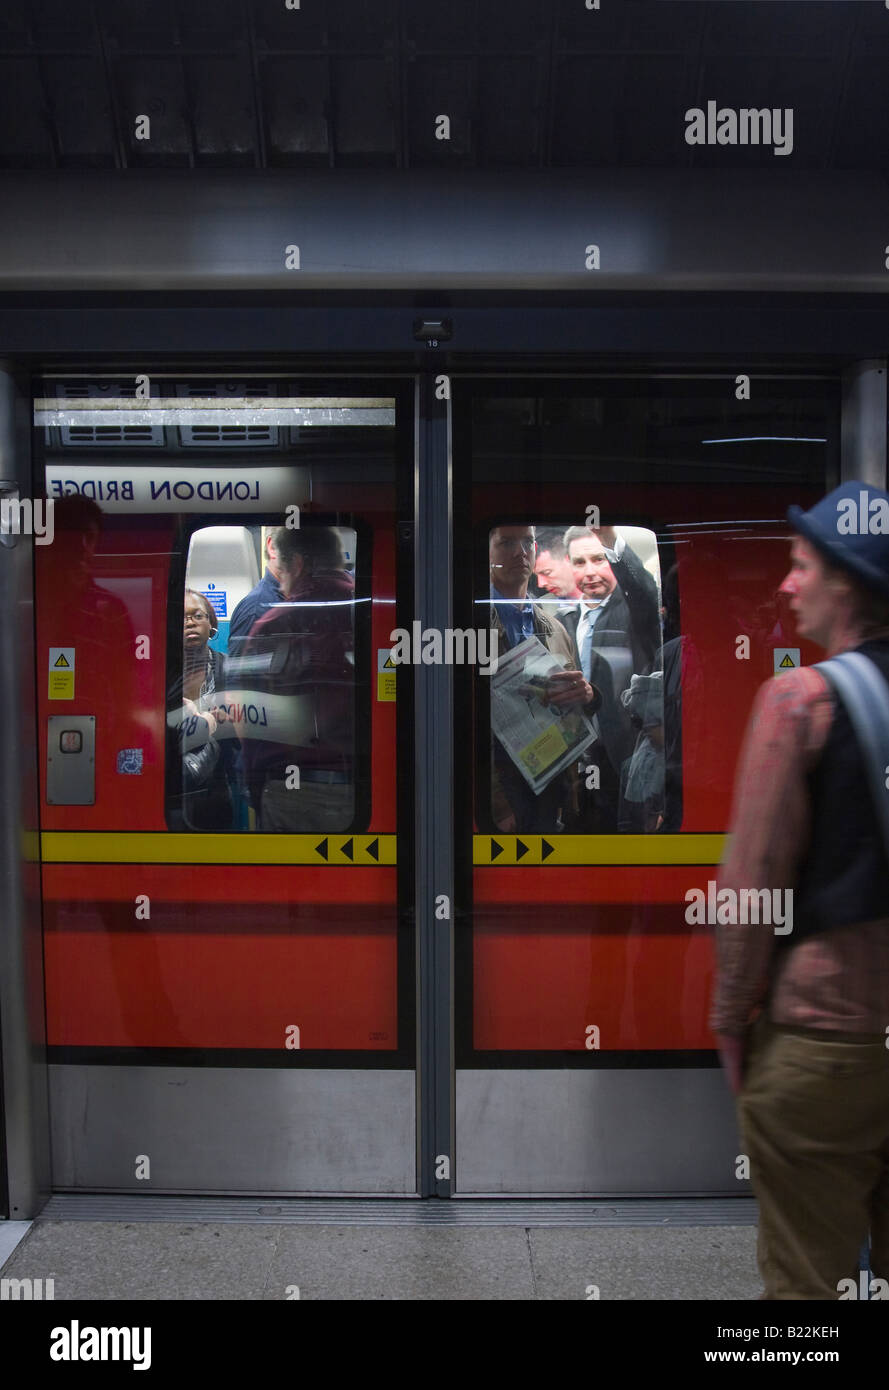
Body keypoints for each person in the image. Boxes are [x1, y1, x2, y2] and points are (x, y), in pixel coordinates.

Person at [711, 479, 889, 1301]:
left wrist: (730, 1017)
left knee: (805, 1291)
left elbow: (750, 888)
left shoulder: (800, 703)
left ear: (845, 579)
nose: (785, 585)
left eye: (798, 566)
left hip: (827, 1043)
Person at [239, 527, 355, 831]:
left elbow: (249, 716)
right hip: (362, 785)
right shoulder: (374, 615)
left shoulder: (271, 623)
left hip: (288, 790)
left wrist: (254, 786)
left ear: (299, 564)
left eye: (283, 571)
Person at [487, 524, 597, 834]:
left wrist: (588, 694)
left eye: (528, 542)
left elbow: (574, 706)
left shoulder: (555, 627)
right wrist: (496, 802)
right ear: (487, 552)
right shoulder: (467, 625)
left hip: (552, 778)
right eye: (506, 543)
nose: (520, 552)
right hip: (501, 787)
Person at [559, 524, 661, 830]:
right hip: (577, 753)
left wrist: (609, 540)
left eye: (598, 559)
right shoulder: (564, 620)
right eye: (579, 562)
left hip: (627, 751)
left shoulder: (633, 609)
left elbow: (643, 588)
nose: (589, 571)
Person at [167, 589, 236, 830]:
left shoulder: (228, 667)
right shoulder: (160, 673)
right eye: (182, 618)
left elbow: (245, 731)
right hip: (170, 787)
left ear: (211, 624)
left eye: (198, 616)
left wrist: (230, 723)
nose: (190, 624)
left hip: (216, 786)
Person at [227, 528, 288, 645]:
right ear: (272, 548)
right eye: (297, 544)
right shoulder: (256, 611)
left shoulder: (293, 600)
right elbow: (242, 662)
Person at [533, 528, 582, 604]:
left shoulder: (602, 598)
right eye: (536, 576)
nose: (541, 584)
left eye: (547, 573)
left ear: (570, 560)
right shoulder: (542, 607)